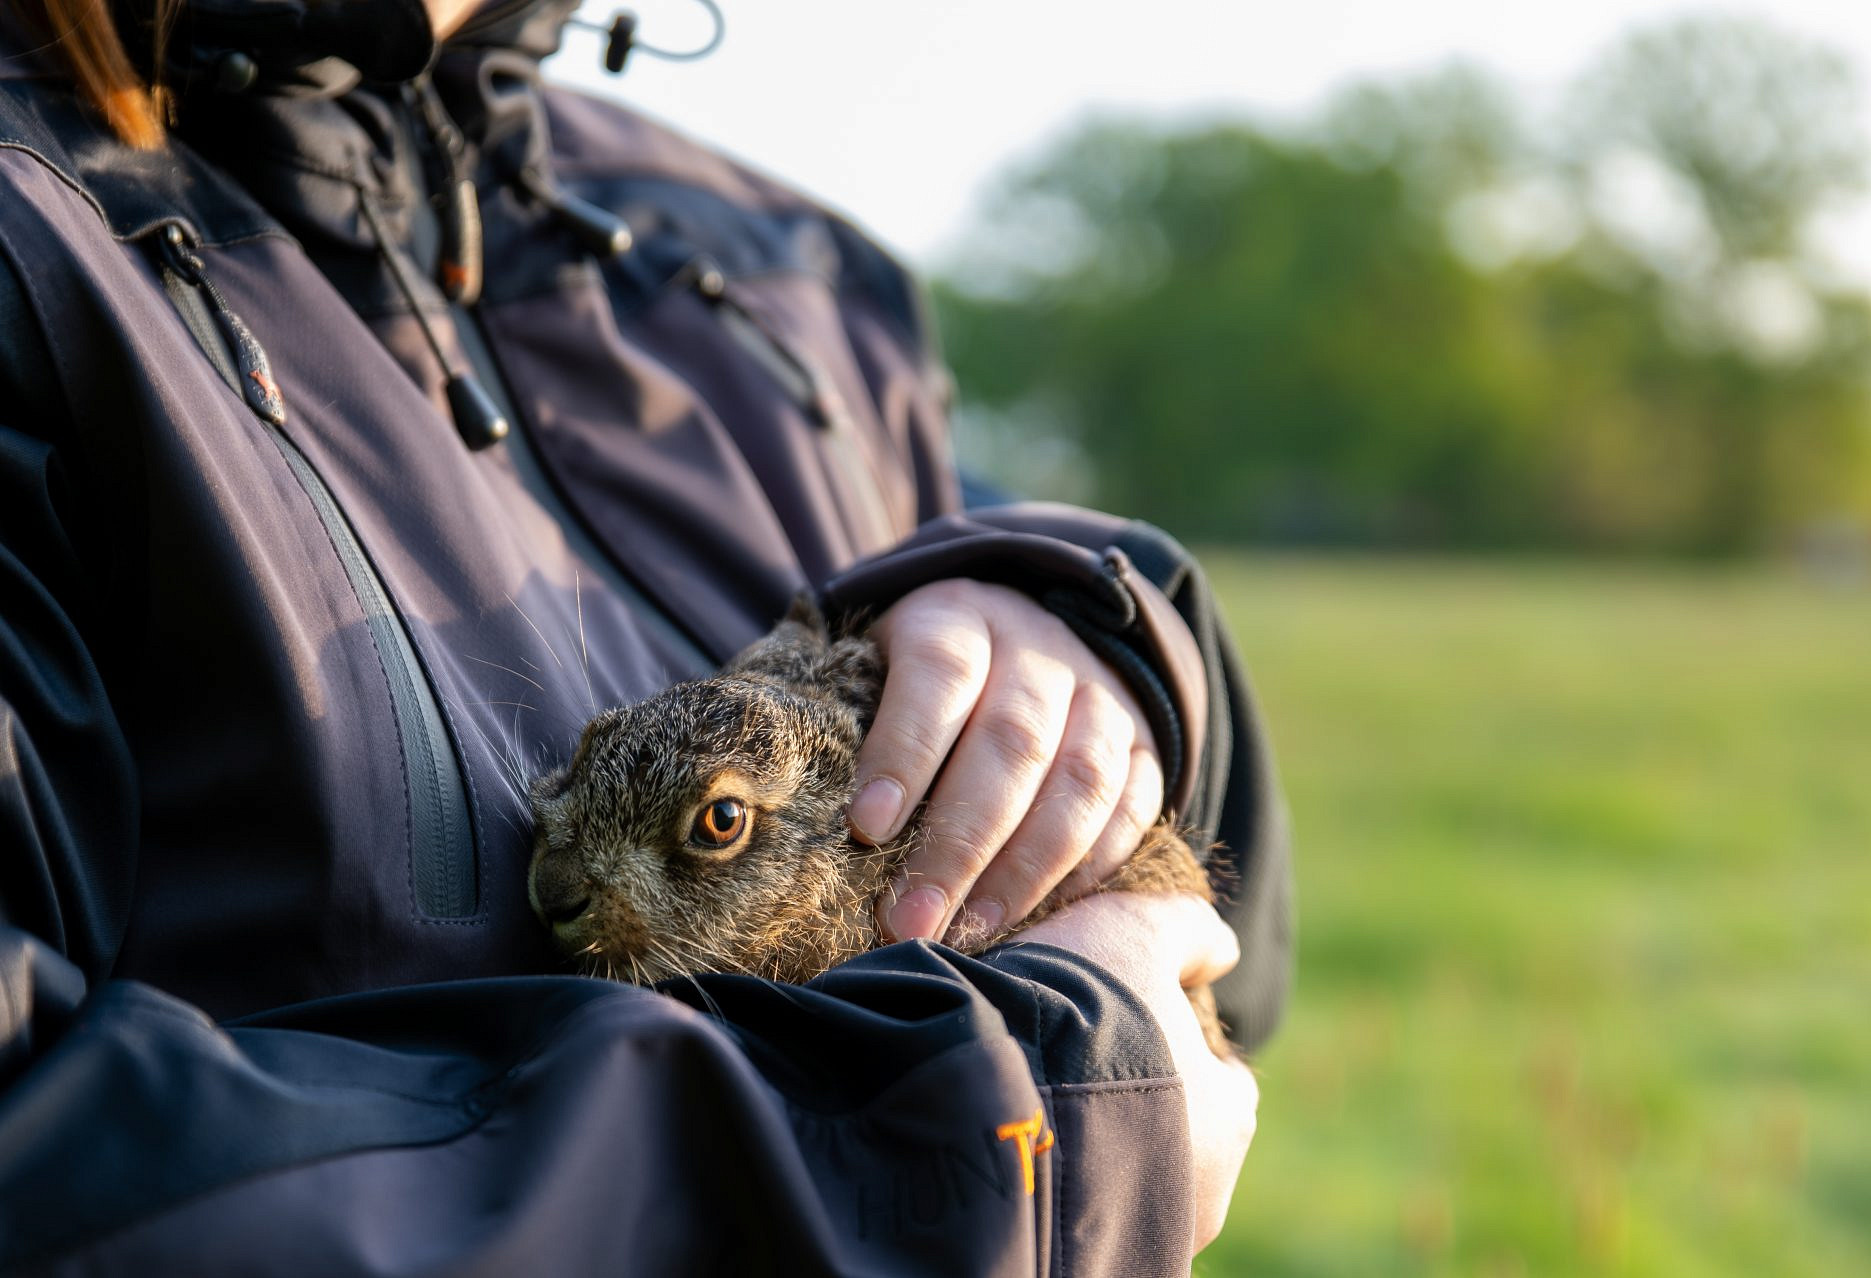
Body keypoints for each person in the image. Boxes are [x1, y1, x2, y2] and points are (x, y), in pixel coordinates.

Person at [0, 0, 1291, 1270]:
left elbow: (1235, 986)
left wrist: (1101, 627)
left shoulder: (790, 269)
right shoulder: (34, 238)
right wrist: (951, 1144)